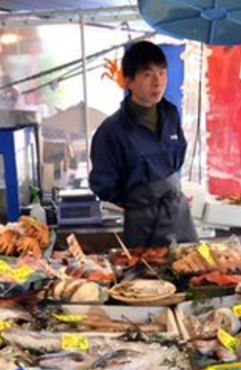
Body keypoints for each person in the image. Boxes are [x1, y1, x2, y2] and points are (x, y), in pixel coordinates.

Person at [88, 41, 198, 248]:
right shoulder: (112, 130)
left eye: (162, 73)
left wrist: (170, 189)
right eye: (148, 75)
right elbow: (102, 183)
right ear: (128, 81)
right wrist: (138, 201)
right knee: (148, 267)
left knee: (192, 262)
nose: (157, 82)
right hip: (142, 221)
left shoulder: (171, 115)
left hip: (178, 212)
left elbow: (178, 158)